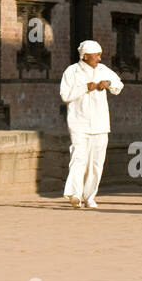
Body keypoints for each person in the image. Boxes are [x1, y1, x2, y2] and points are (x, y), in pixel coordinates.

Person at [59, 39, 123, 209]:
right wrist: (86, 87)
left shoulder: (103, 70)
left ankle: (90, 196)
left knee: (96, 162)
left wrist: (108, 84)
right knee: (79, 157)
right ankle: (75, 194)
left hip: (101, 123)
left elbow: (118, 84)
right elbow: (65, 95)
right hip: (79, 122)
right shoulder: (72, 72)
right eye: (97, 55)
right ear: (85, 56)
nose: (99, 59)